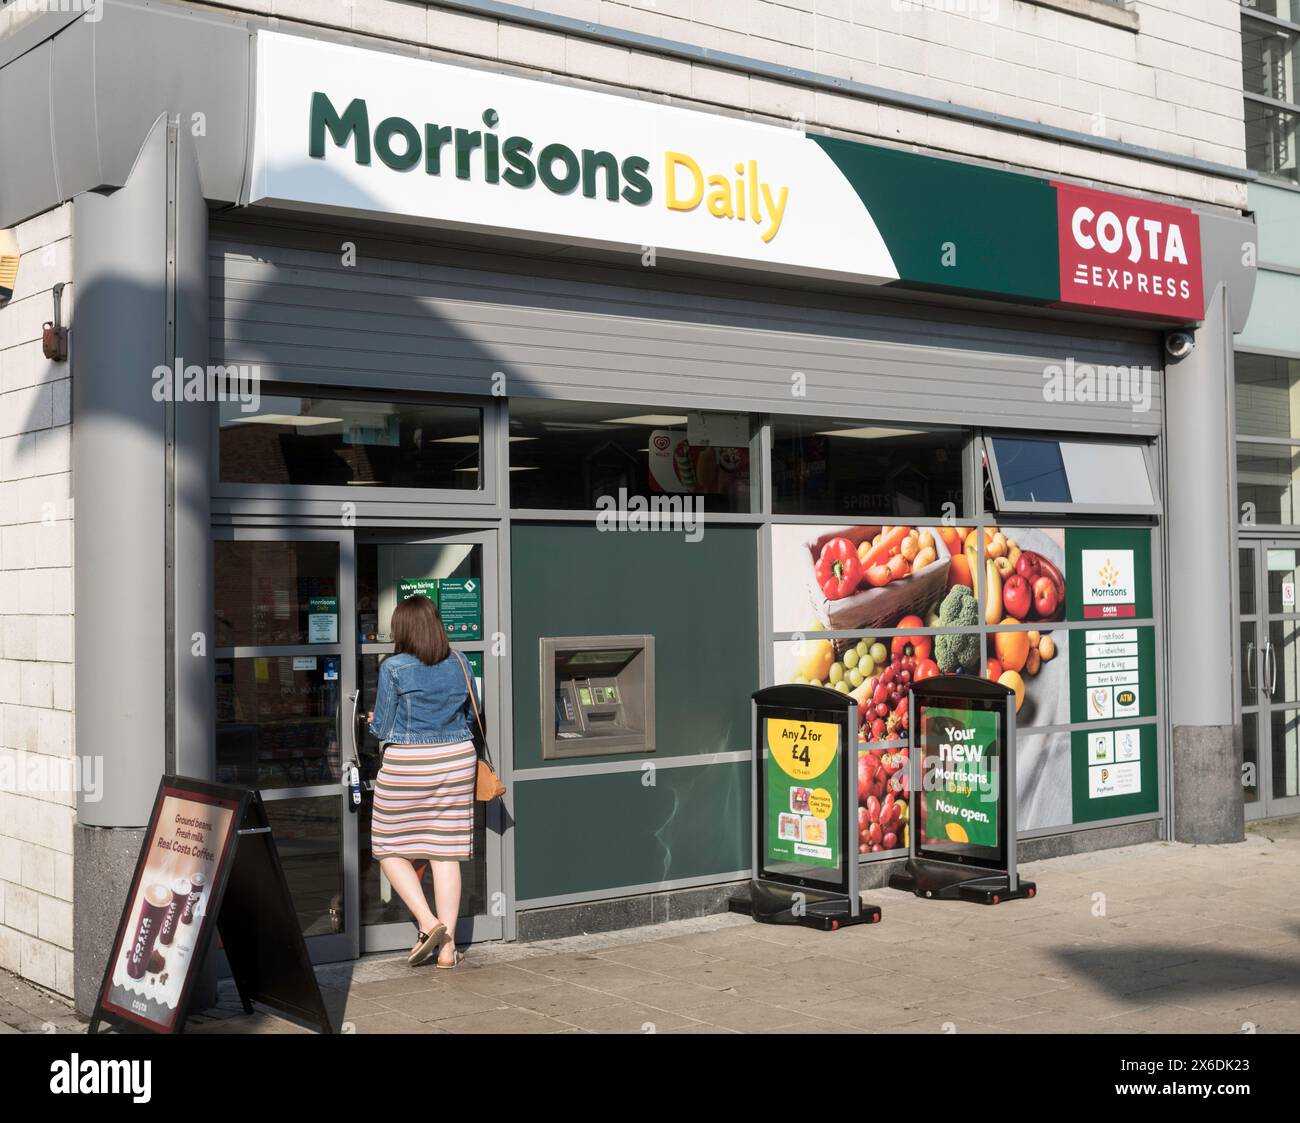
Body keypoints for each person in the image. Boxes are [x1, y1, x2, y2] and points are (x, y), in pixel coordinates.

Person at [367, 594, 480, 968]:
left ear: (403, 629)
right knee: (444, 852)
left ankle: (429, 922)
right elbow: (472, 713)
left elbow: (382, 727)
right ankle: (448, 951)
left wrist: (372, 719)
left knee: (387, 845)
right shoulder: (461, 661)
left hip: (408, 764)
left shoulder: (394, 667)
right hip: (457, 760)